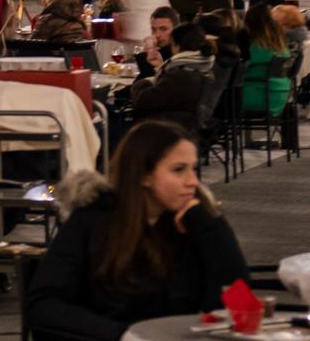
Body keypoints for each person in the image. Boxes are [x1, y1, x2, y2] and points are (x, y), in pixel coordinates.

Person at [24, 120, 249, 341]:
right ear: (144, 175)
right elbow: (42, 305)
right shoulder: (92, 220)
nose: (193, 181)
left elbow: (239, 303)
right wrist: (121, 335)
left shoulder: (194, 222)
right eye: (179, 170)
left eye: (194, 169)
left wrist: (211, 227)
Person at [125, 23, 215, 136]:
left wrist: (145, 82)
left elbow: (142, 100)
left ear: (176, 45)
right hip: (189, 127)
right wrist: (159, 67)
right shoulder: (202, 67)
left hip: (167, 130)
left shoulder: (181, 75)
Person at [241, 3, 292, 118]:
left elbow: (237, 67)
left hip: (258, 96)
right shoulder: (280, 47)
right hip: (278, 97)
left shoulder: (255, 48)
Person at [135, 5, 178, 79]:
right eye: (154, 29)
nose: (157, 35)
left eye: (163, 29)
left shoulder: (180, 54)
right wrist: (146, 52)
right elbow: (143, 80)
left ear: (176, 29)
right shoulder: (158, 52)